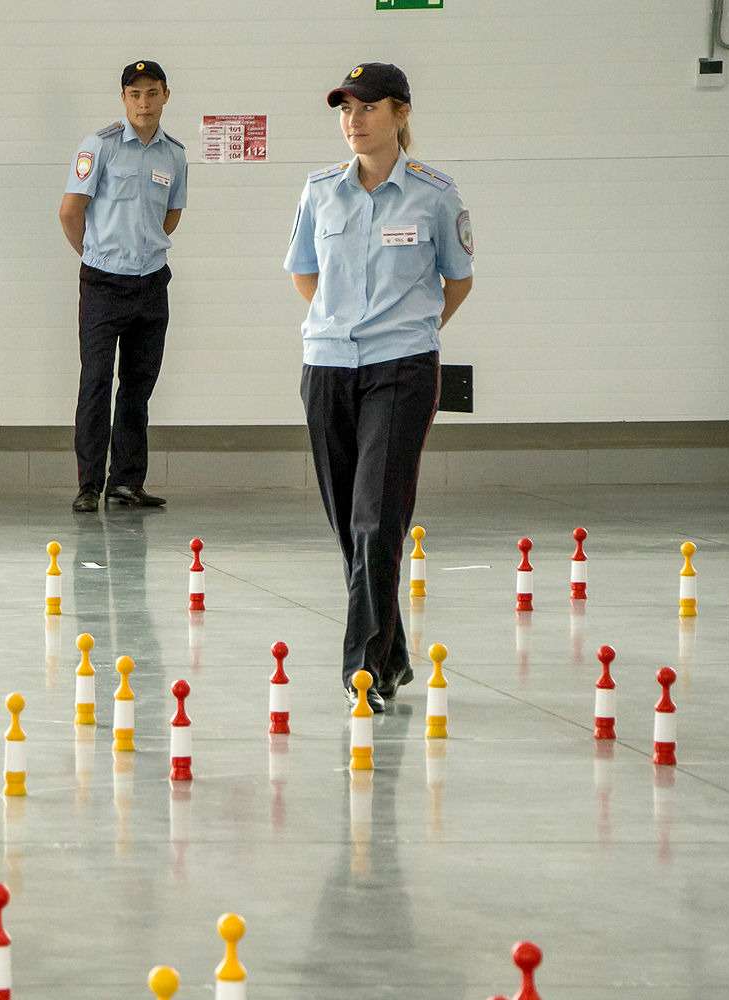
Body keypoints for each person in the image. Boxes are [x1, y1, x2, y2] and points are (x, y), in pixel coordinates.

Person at [282, 63, 474, 712]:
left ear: (400, 114)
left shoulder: (435, 195)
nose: (353, 120)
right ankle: (391, 652)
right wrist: (344, 325)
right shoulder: (318, 193)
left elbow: (457, 280)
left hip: (402, 368)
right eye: (345, 109)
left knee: (376, 518)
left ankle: (363, 672)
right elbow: (305, 275)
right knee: (349, 523)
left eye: (366, 108)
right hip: (328, 366)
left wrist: (406, 328)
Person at [59, 60, 188, 513]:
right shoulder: (102, 145)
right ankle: (89, 485)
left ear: (165, 96)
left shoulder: (174, 154)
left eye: (152, 93)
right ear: (124, 99)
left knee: (138, 387)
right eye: (135, 95)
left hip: (151, 283)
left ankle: (126, 483)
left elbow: (172, 213)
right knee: (95, 382)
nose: (144, 103)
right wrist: (94, 255)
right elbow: (70, 210)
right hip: (103, 284)